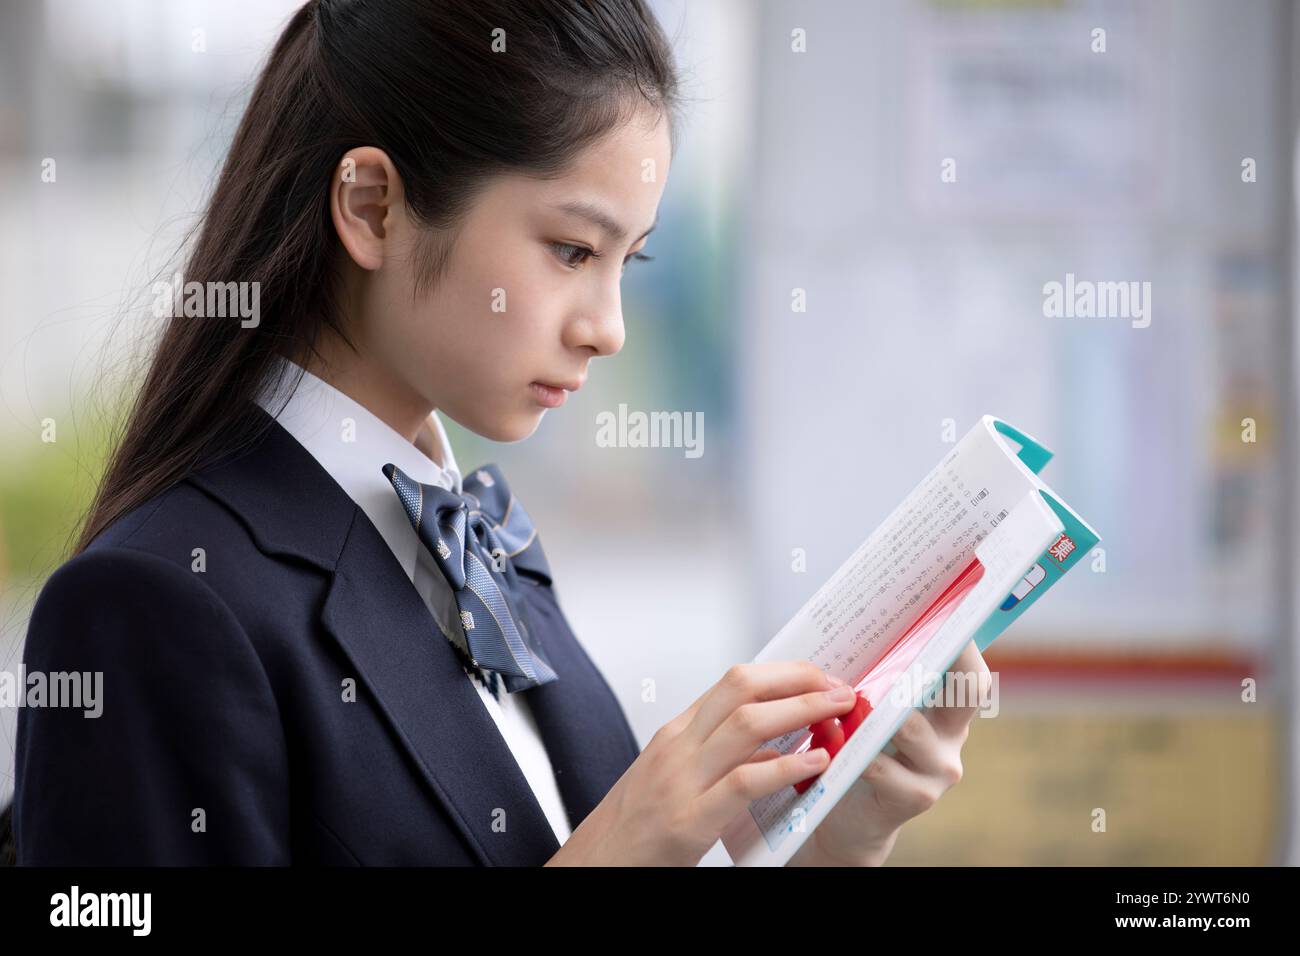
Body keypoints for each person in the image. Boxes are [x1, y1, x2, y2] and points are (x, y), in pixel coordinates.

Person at [7, 0, 983, 866]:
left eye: (626, 261)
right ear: (372, 207)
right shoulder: (151, 603)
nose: (607, 325)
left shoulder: (481, 542)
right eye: (569, 249)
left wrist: (825, 839)